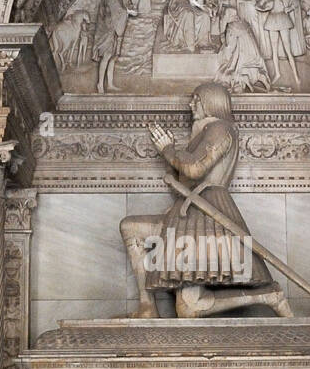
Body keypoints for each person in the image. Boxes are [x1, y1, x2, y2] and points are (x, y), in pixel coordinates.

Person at [119, 81, 291, 318]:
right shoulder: (205, 131)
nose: (191, 104)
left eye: (196, 100)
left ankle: (270, 296)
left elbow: (195, 169)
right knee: (131, 228)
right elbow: (186, 179)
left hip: (206, 212)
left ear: (211, 103)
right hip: (189, 212)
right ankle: (147, 306)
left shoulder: (220, 128)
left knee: (189, 307)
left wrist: (168, 150)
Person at [92, 0, 136, 93]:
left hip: (114, 30)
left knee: (113, 57)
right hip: (109, 30)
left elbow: (118, 10)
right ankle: (100, 84)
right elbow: (117, 11)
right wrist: (127, 11)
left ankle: (110, 83)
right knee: (106, 56)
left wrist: (126, 10)